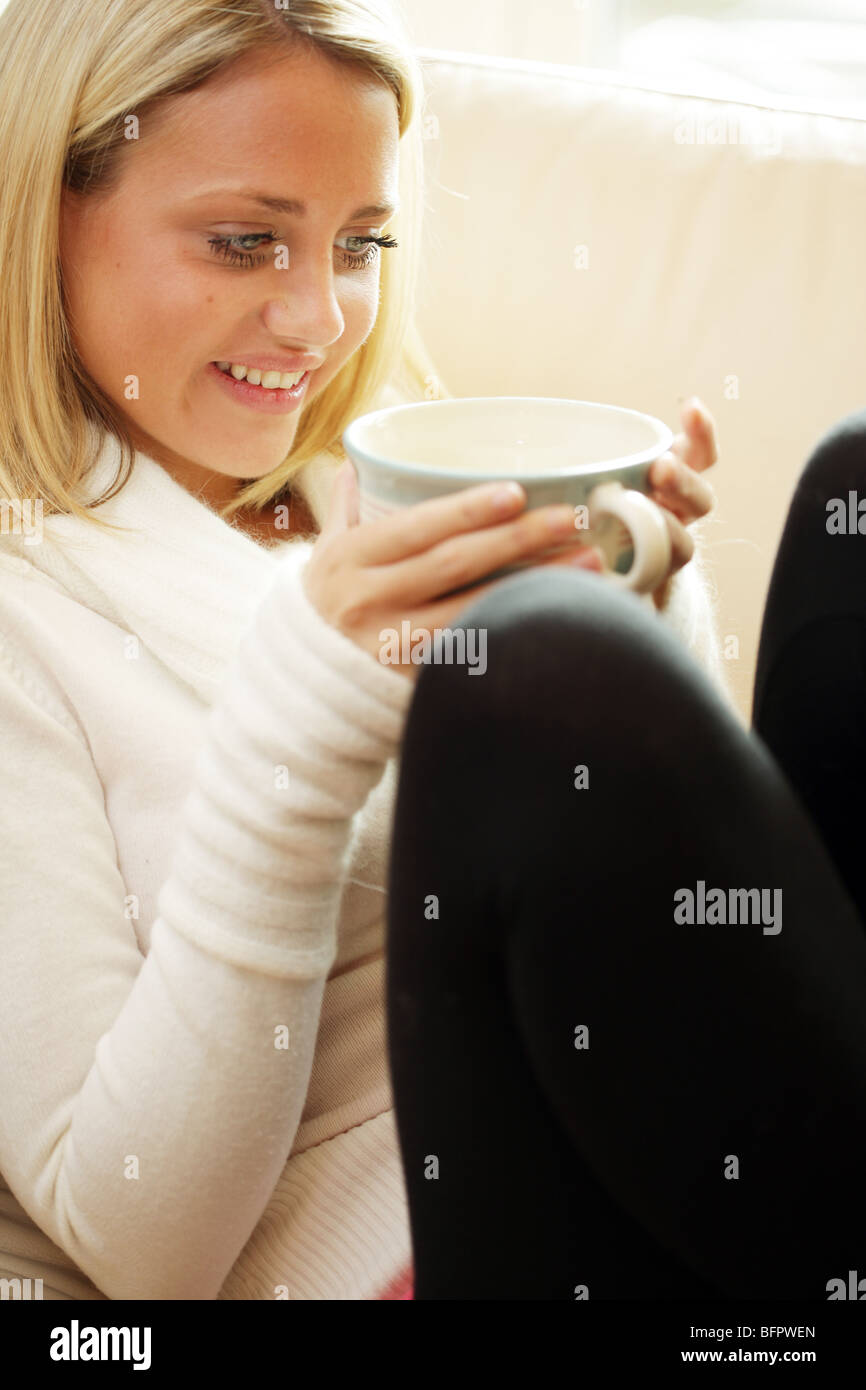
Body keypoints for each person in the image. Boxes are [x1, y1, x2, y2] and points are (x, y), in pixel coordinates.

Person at [0, 0, 719, 1301]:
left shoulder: (381, 494)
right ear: (40, 213)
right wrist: (301, 724)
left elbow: (684, 918)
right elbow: (139, 1246)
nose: (320, 317)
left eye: (359, 243)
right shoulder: (22, 620)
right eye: (243, 241)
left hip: (683, 1119)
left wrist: (649, 615)